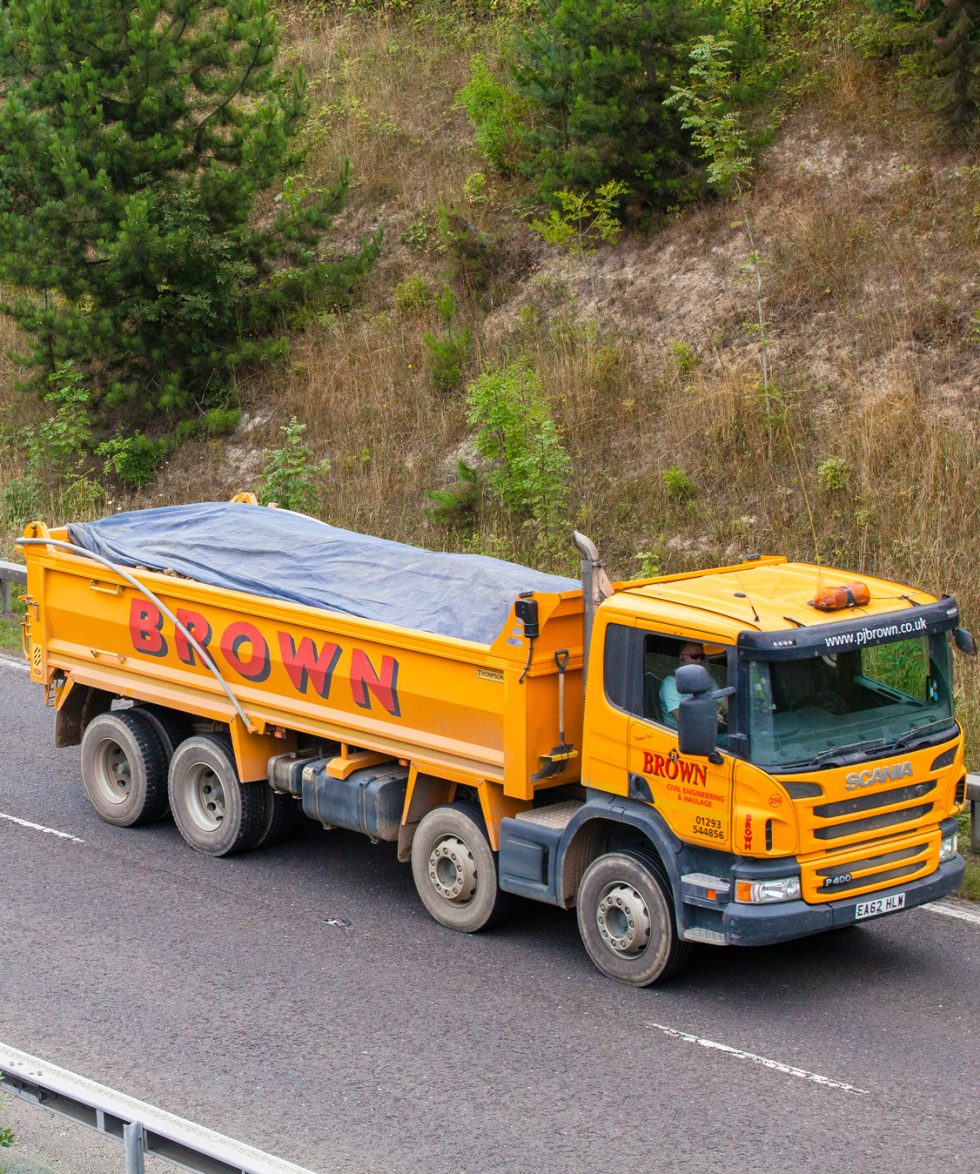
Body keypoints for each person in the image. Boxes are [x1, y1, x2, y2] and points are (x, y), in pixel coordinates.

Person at [660, 642, 706, 727]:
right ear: (681, 657)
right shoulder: (671, 683)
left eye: (702, 656)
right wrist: (709, 714)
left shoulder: (704, 676)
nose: (699, 661)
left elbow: (724, 702)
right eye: (694, 656)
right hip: (680, 734)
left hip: (707, 725)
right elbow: (684, 720)